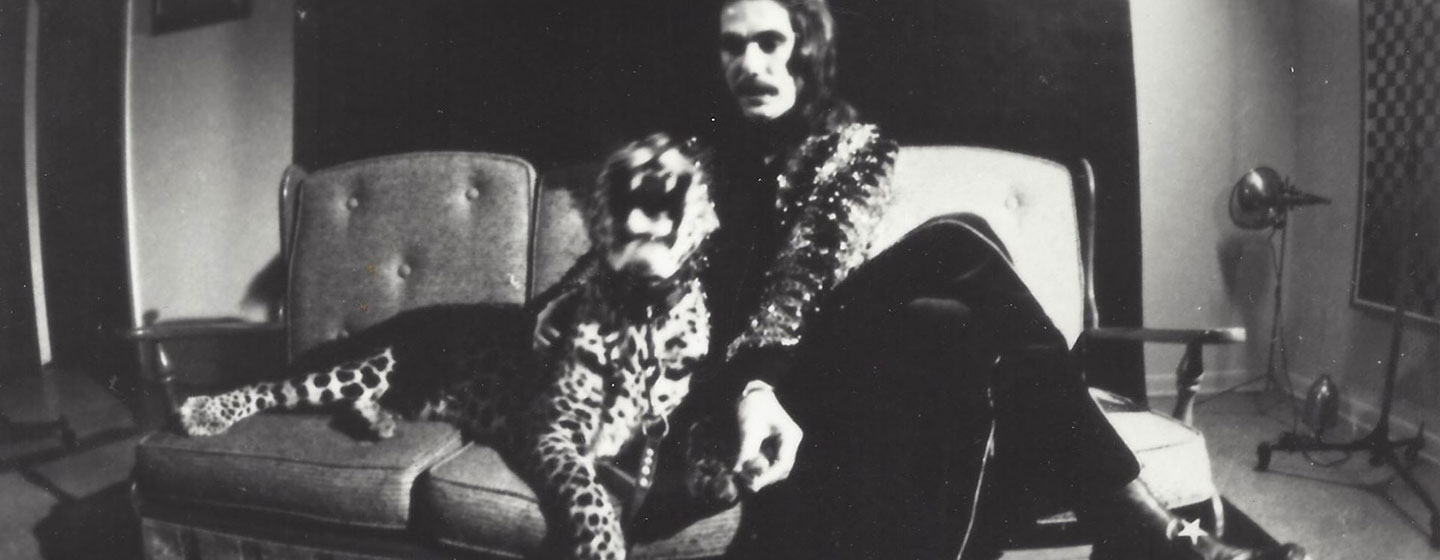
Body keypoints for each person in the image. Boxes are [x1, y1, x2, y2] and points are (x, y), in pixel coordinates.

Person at [542, 1, 1312, 558]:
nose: (750, 63)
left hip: (801, 365)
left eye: (770, 41)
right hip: (714, 388)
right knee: (955, 259)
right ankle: (1149, 529)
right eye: (732, 46)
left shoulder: (848, 151)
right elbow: (594, 284)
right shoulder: (690, 163)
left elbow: (805, 279)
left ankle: (1141, 528)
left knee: (955, 292)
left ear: (806, 48)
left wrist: (762, 381)